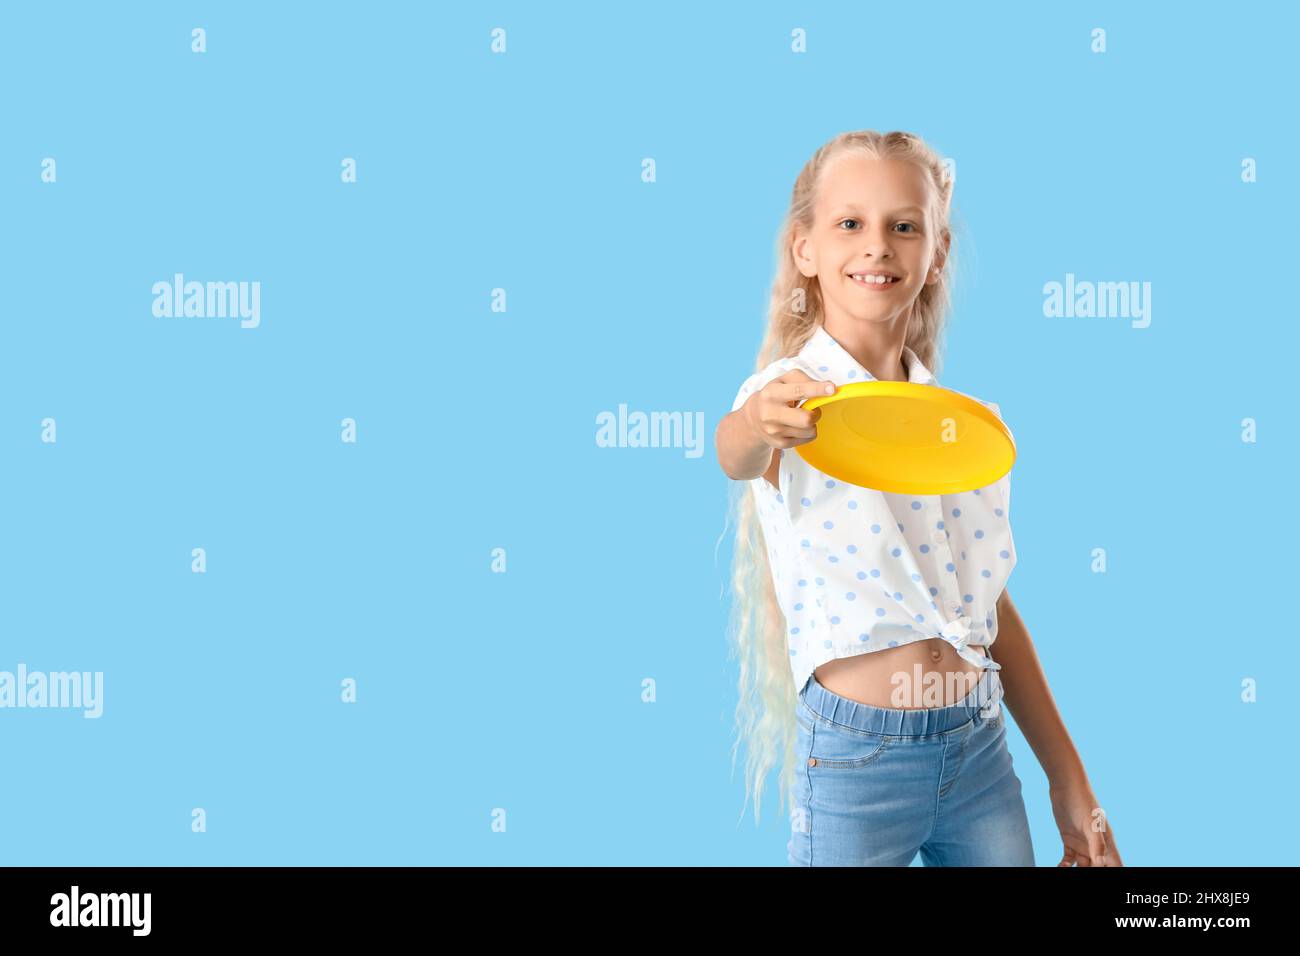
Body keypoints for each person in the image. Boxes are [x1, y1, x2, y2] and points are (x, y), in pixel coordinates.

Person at [716, 129, 1123, 867]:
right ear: (805, 249)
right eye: (850, 223)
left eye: (905, 226)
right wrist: (757, 423)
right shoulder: (792, 400)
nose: (878, 245)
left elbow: (989, 610)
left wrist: (1071, 779)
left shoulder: (960, 428)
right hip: (855, 765)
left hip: (978, 752)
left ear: (936, 254)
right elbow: (734, 452)